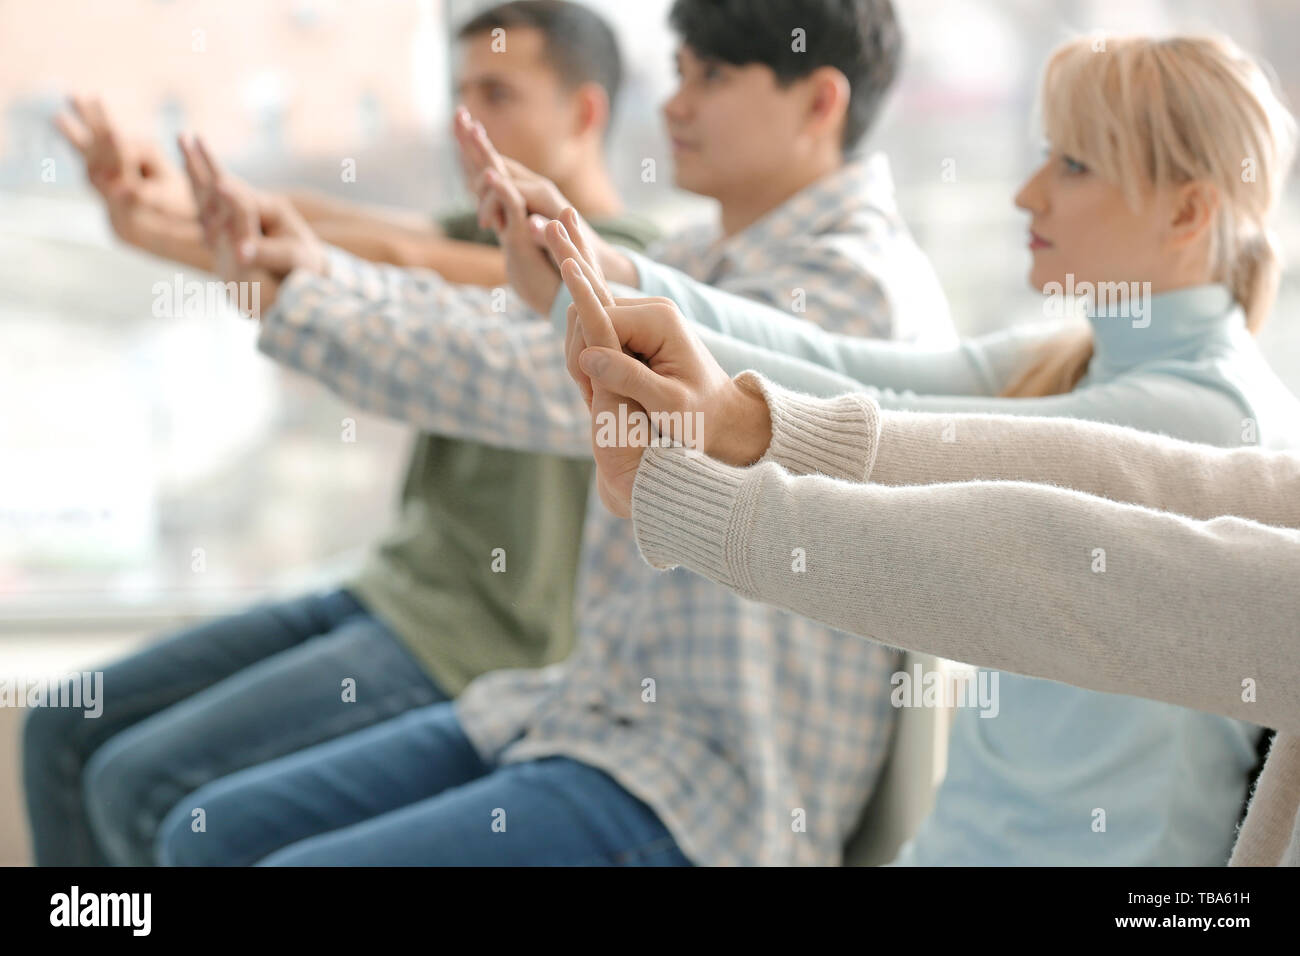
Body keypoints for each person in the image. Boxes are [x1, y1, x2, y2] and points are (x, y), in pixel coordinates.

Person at [153, 0, 955, 867]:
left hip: (708, 790)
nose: (675, 105)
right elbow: (492, 325)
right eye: (678, 73)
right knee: (215, 836)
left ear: (819, 103)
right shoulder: (707, 258)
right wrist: (307, 273)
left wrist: (296, 298)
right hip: (584, 713)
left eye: (712, 77)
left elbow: (531, 378)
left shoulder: (854, 290)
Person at [526, 32, 1300, 864]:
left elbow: (1004, 531)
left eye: (1074, 167)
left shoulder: (1209, 411)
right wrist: (628, 287)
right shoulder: (1088, 348)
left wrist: (701, 462)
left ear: (1187, 212)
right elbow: (854, 372)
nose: (1027, 195)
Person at [23, 0, 657, 867]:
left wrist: (209, 220)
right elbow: (347, 233)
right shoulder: (474, 233)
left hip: (480, 640)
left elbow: (389, 261)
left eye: (499, 93)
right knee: (63, 724)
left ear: (585, 112)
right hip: (391, 587)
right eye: (460, 91)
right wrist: (155, 207)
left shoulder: (626, 269)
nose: (466, 119)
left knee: (138, 787)